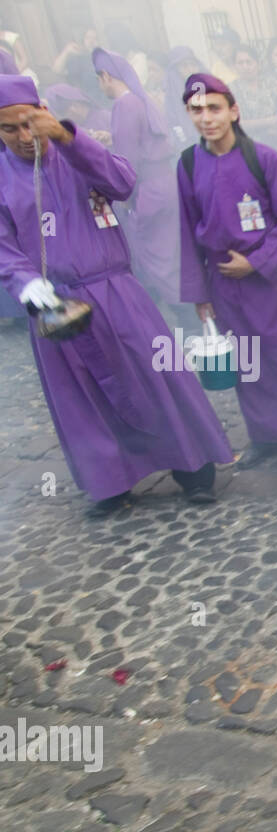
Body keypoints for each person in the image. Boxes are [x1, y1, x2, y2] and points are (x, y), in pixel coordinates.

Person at [0, 75, 231, 516]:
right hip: (55, 304)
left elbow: (123, 182)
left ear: (43, 112)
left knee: (154, 377)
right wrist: (29, 284)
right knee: (82, 398)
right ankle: (111, 481)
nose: (24, 137)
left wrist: (69, 137)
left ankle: (193, 466)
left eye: (29, 123)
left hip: (115, 289)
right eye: (9, 129)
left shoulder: (77, 151)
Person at [177, 73, 277, 472]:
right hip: (222, 283)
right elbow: (186, 230)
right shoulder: (187, 163)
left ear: (234, 111)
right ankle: (265, 435)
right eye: (196, 111)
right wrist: (200, 292)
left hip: (266, 278)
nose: (206, 118)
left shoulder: (264, 158)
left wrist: (257, 261)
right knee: (246, 361)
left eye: (214, 108)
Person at [92, 48, 184, 315]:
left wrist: (122, 194)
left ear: (106, 76)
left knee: (158, 257)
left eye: (100, 79)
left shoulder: (124, 103)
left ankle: (188, 320)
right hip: (164, 183)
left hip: (147, 190)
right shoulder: (139, 100)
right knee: (171, 251)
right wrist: (111, 138)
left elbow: (127, 158)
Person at [164, 46, 207, 144]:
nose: (190, 69)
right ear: (176, 70)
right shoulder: (173, 96)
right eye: (184, 66)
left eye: (193, 64)